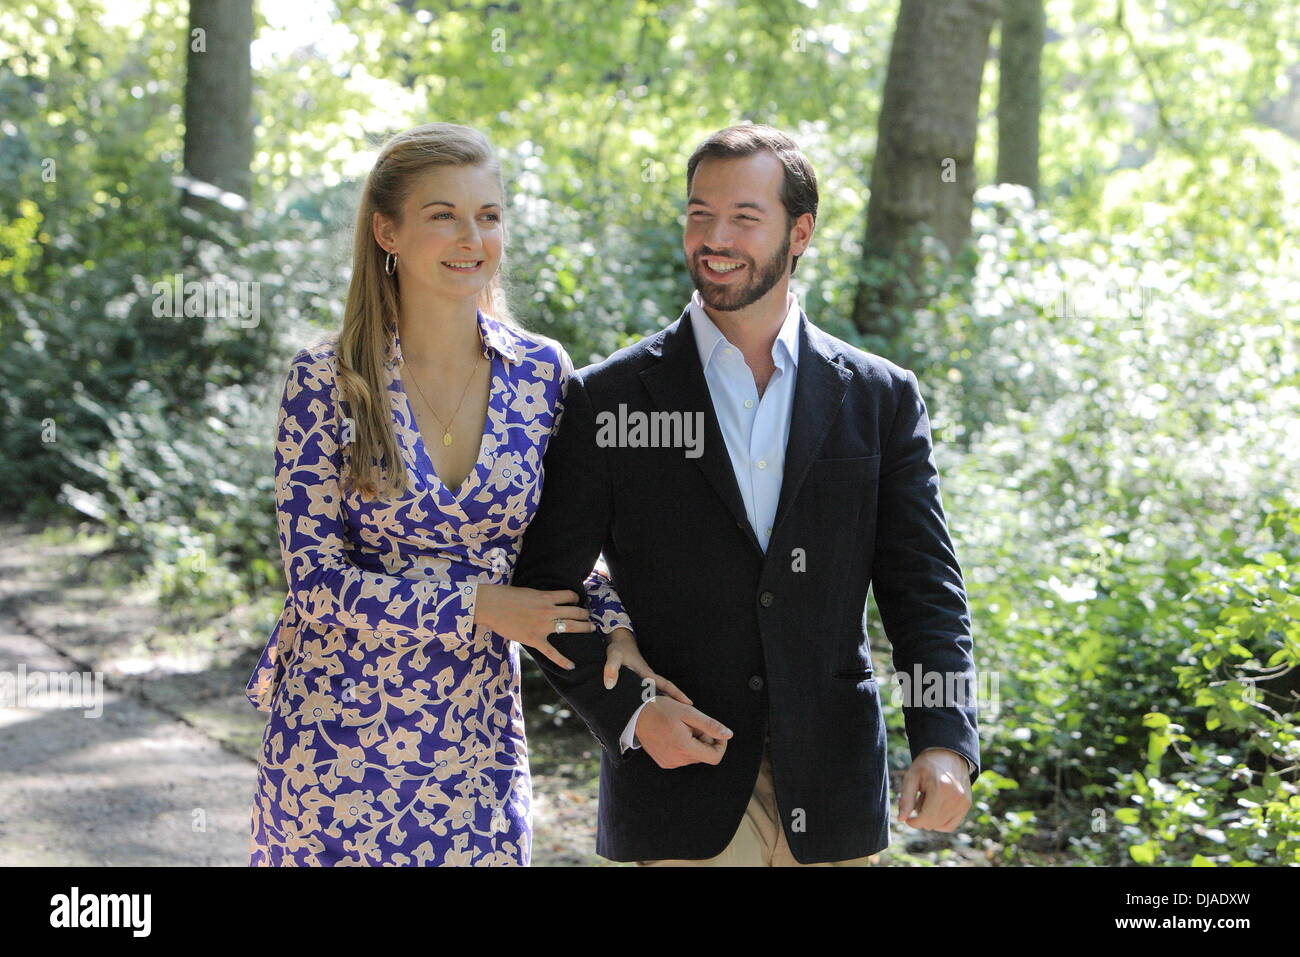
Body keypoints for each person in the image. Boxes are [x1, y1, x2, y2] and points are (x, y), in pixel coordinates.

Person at [511, 123, 980, 866]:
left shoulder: (881, 399)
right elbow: (543, 588)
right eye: (699, 213)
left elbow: (924, 586)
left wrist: (946, 737)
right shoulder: (608, 399)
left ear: (800, 232)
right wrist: (632, 715)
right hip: (680, 788)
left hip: (833, 791)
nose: (714, 237)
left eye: (742, 217)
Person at [243, 122, 682, 866]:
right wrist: (478, 604)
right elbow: (314, 585)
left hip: (476, 739)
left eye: (488, 214)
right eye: (442, 213)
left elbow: (558, 555)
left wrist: (616, 625)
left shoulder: (541, 374)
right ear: (388, 230)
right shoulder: (325, 379)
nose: (471, 237)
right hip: (337, 740)